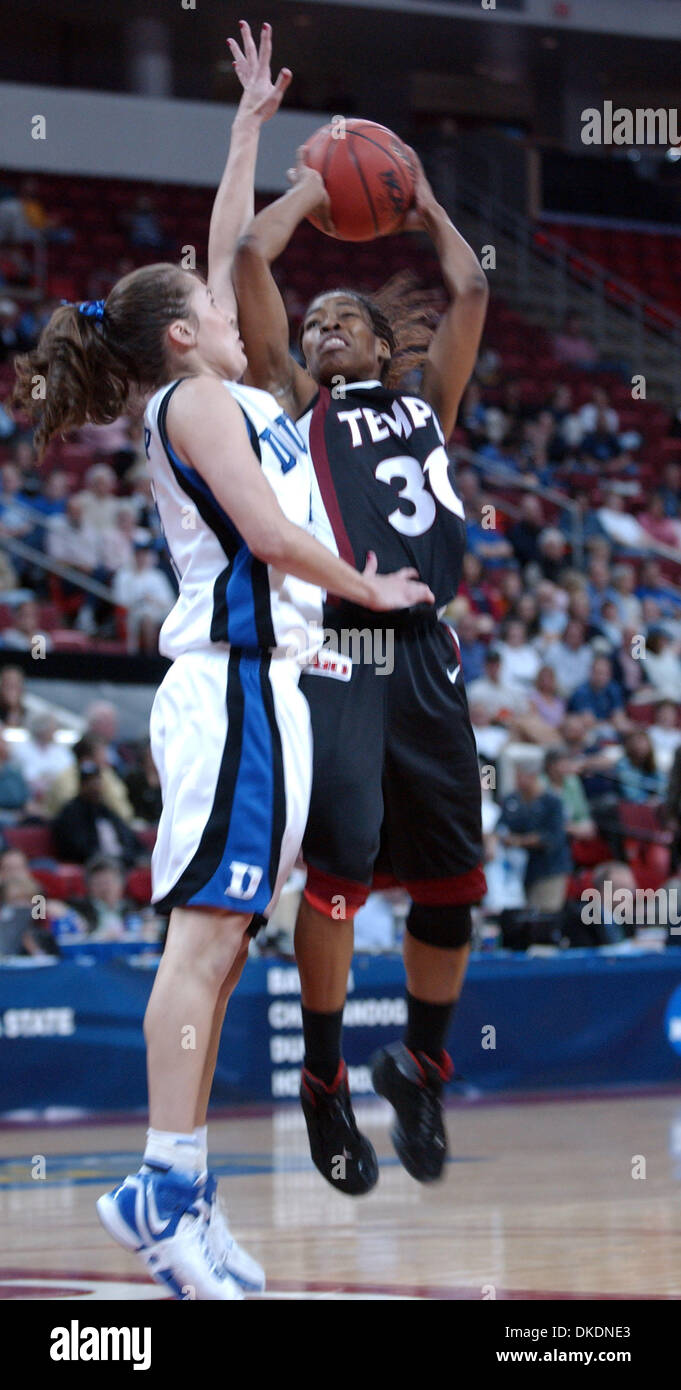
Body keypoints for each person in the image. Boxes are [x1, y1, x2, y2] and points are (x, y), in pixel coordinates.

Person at [12, 21, 432, 1299]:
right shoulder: (196, 400)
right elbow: (264, 532)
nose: (229, 296)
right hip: (240, 678)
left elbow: (221, 243)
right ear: (184, 338)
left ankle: (177, 1191)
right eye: (205, 301)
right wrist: (371, 585)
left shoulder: (217, 386)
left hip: (275, 690)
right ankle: (162, 1182)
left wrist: (249, 128)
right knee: (201, 944)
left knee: (226, 941)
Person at [233, 100, 488, 1191]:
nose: (327, 326)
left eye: (347, 318)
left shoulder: (430, 404)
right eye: (318, 319)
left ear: (385, 345)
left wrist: (418, 195)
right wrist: (313, 185)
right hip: (338, 651)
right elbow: (248, 255)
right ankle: (326, 1083)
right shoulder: (294, 401)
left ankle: (422, 1071)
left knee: (453, 890)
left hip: (426, 658)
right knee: (335, 880)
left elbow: (471, 287)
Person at [497, 760, 571, 912]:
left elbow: (553, 838)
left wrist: (519, 841)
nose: (517, 781)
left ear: (533, 776)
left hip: (549, 869)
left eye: (520, 776)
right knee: (520, 916)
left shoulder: (552, 802)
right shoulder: (512, 799)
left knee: (544, 914)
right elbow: (500, 827)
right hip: (518, 870)